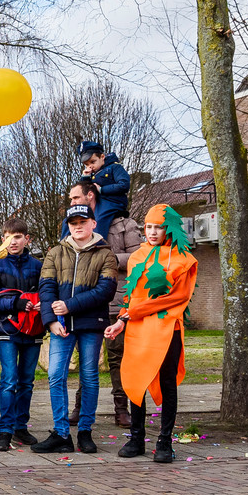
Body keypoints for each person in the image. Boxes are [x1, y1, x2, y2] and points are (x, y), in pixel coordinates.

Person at [110, 205, 198, 463]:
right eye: (148, 227)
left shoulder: (184, 259)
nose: (152, 232)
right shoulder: (137, 257)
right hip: (137, 328)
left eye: (158, 227)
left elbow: (179, 296)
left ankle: (164, 441)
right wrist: (121, 320)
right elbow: (131, 296)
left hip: (168, 327)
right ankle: (136, 438)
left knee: (167, 383)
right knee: (135, 381)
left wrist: (137, 310)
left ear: (168, 228)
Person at [33, 204, 119, 454]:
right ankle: (61, 434)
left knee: (89, 376)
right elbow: (46, 288)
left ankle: (85, 432)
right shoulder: (55, 253)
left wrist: (69, 306)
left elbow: (106, 291)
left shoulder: (106, 253)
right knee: (55, 375)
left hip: (91, 324)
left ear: (93, 223)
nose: (78, 226)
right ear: (68, 226)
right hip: (61, 326)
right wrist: (50, 321)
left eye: (83, 221)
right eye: (73, 223)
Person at [63, 180, 142, 426]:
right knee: (88, 359)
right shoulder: (74, 227)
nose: (72, 203)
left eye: (75, 198)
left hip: (118, 300)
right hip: (85, 303)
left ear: (90, 195)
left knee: (118, 357)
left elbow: (139, 258)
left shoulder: (123, 225)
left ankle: (121, 408)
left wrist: (104, 259)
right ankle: (80, 407)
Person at [0, 217, 43, 451]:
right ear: (2, 239)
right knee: (8, 381)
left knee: (26, 382)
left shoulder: (38, 266)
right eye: (7, 237)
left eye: (17, 237)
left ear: (27, 239)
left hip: (33, 329)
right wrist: (16, 303)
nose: (12, 241)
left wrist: (40, 304)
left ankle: (21, 426)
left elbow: (47, 290)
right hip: (6, 328)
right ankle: (5, 430)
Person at [76, 141, 130, 241]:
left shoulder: (114, 167)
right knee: (74, 217)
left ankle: (98, 245)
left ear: (102, 157)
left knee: (99, 220)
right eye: (86, 164)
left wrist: (102, 190)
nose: (90, 166)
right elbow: (84, 190)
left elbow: (124, 185)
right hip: (97, 204)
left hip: (113, 202)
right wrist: (85, 177)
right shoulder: (92, 173)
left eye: (93, 162)